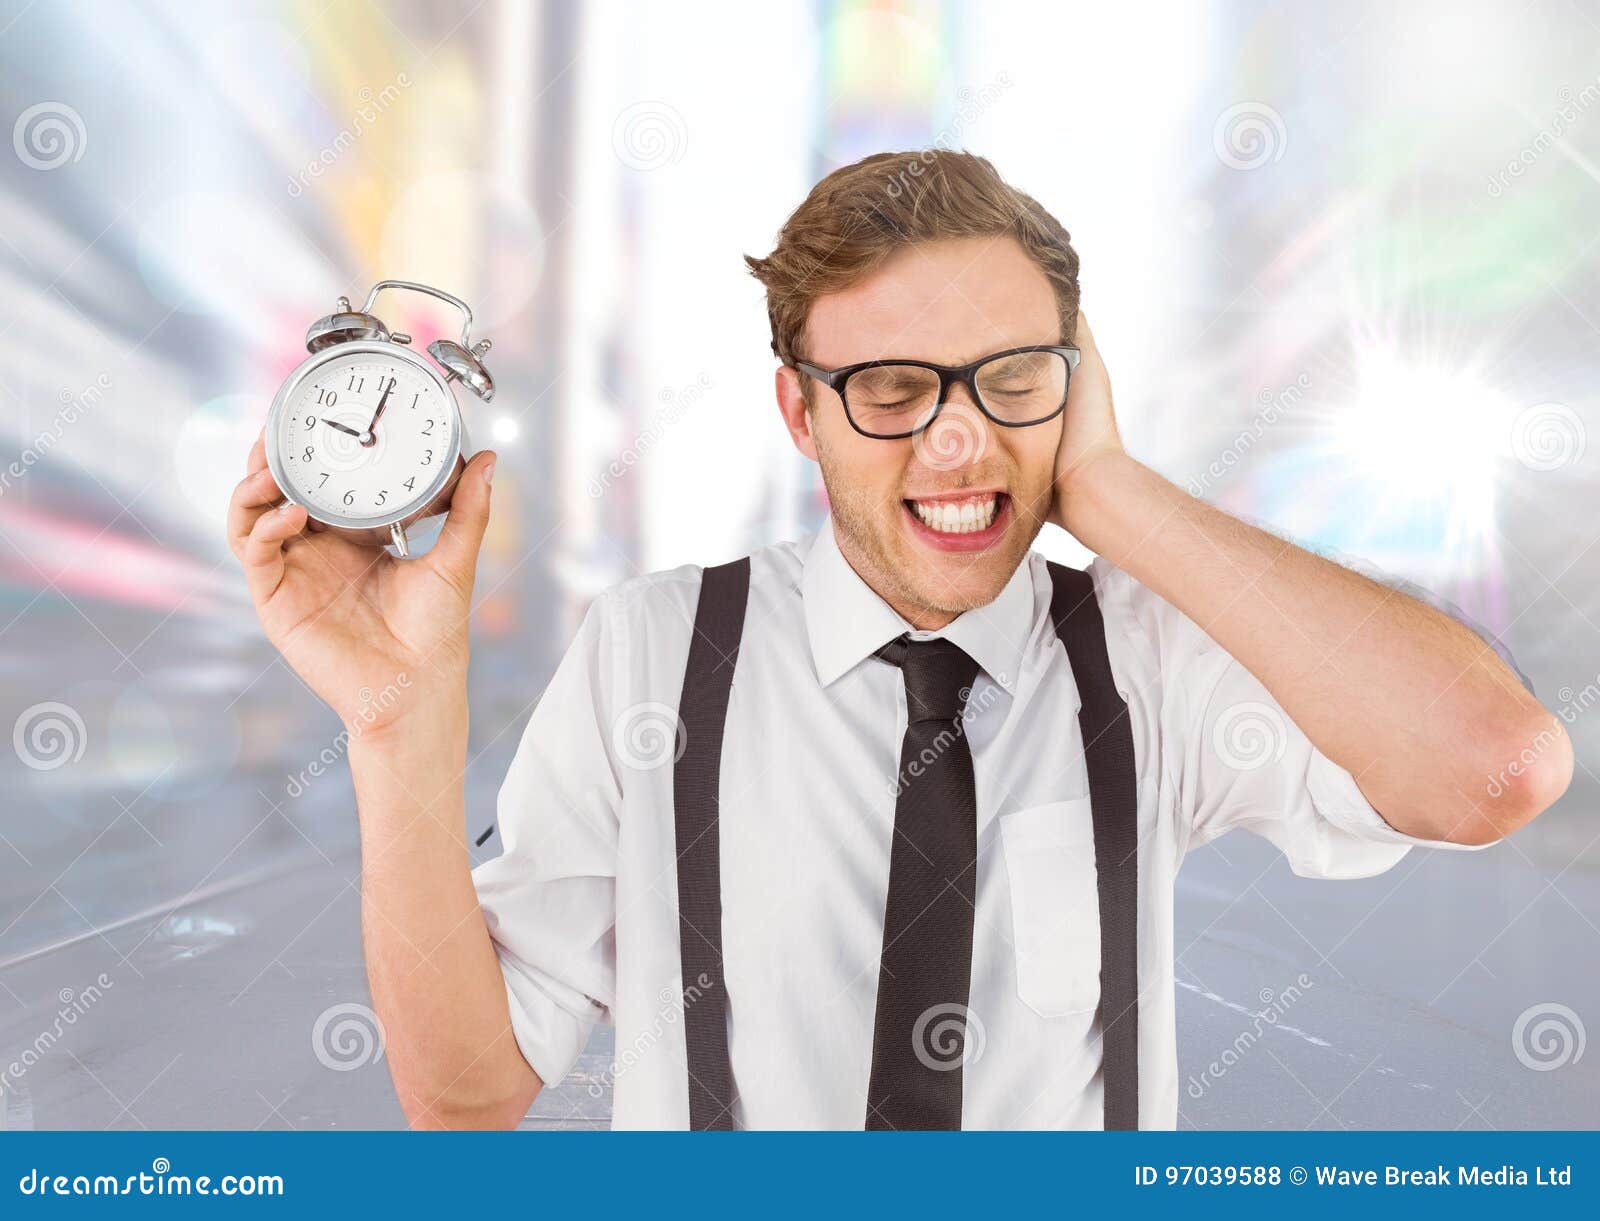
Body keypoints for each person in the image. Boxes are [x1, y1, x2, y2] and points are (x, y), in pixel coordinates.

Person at [228, 149, 1572, 1130]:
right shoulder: (652, 655)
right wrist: (397, 731)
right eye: (889, 388)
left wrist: (1112, 494)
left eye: (1011, 378)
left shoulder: (1146, 656)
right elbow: (466, 1094)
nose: (958, 438)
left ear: (1078, 384)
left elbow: (1490, 766)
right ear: (799, 414)